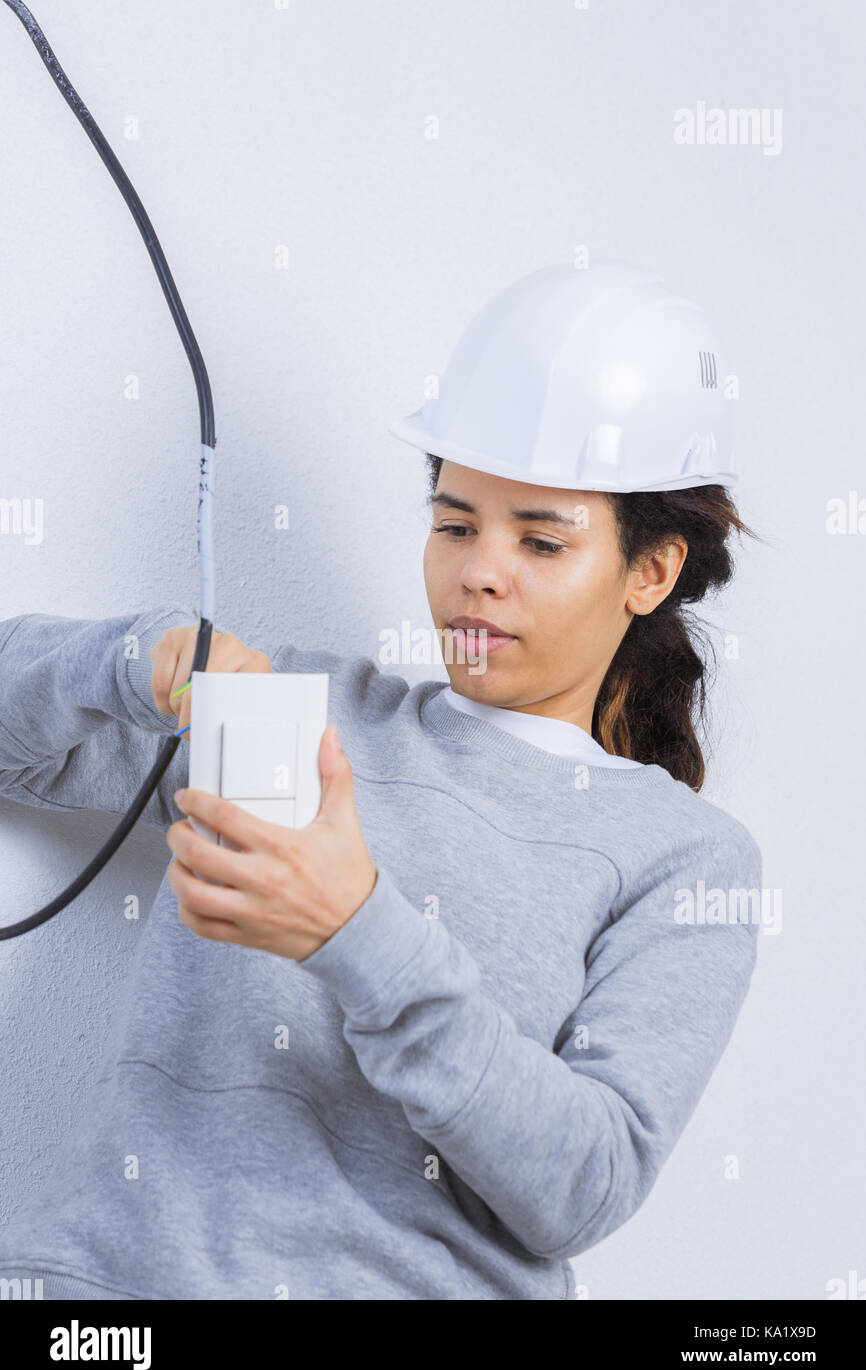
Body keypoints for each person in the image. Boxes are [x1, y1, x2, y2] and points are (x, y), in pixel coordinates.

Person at [0, 262, 763, 1301]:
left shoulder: (683, 859)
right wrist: (139, 659)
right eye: (454, 523)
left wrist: (353, 931)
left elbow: (583, 1186)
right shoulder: (297, 707)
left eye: (539, 539)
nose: (476, 571)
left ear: (650, 570)